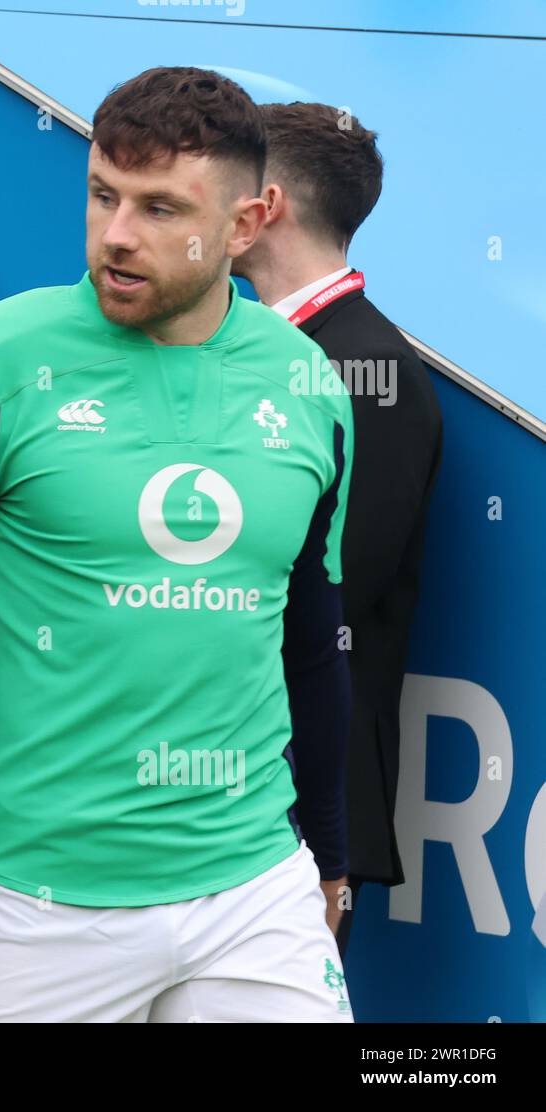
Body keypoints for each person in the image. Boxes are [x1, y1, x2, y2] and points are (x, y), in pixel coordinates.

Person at [0, 67, 354, 1022]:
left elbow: (315, 638)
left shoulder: (308, 382)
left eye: (159, 207)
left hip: (255, 892)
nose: (117, 234)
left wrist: (328, 864)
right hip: (29, 908)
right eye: (103, 196)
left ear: (249, 222)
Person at [233, 102, 442, 954]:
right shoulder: (255, 349)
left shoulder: (371, 368)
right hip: (214, 792)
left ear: (267, 203)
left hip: (290, 802)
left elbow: (333, 594)